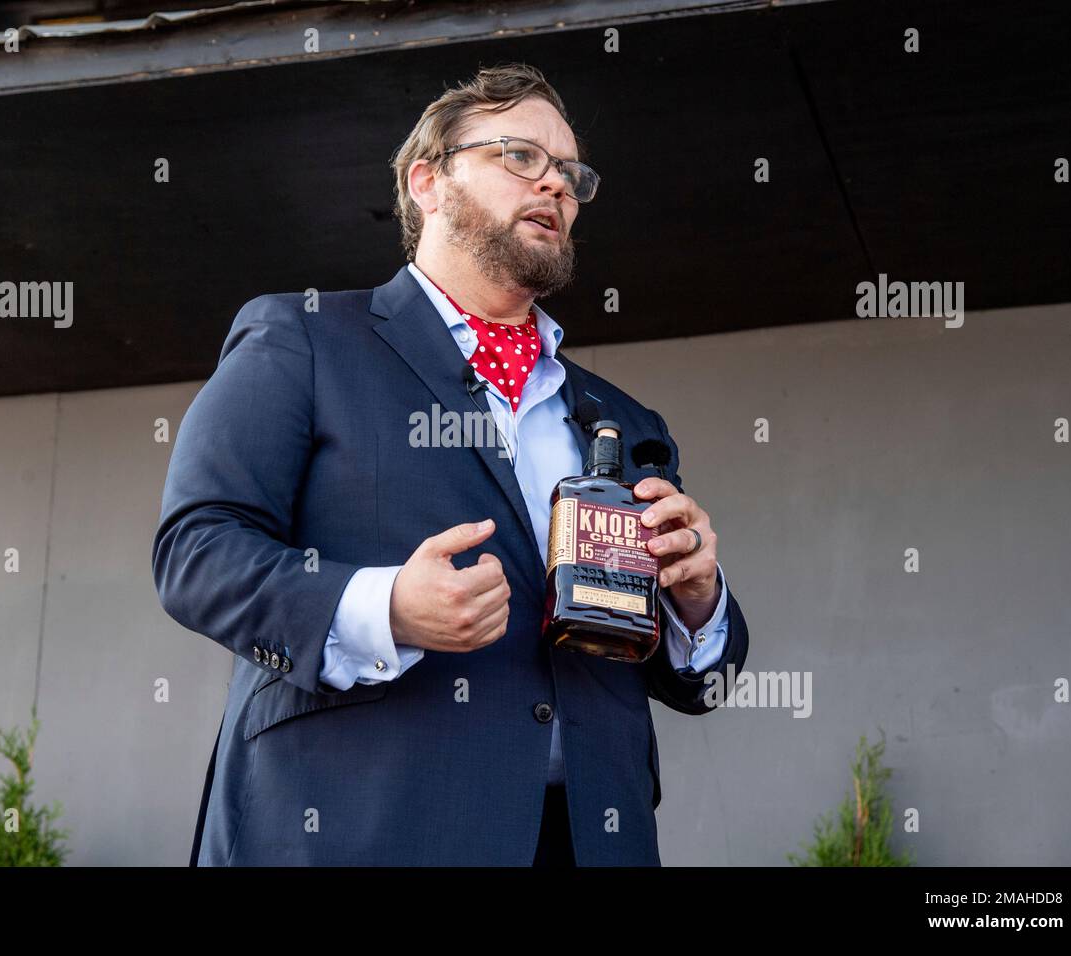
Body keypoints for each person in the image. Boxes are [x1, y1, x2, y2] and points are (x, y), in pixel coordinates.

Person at [152, 62, 749, 866]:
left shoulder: (625, 419)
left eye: (571, 174)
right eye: (520, 157)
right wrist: (386, 606)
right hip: (356, 825)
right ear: (427, 180)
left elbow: (694, 685)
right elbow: (197, 553)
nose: (556, 187)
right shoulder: (303, 339)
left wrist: (696, 600)